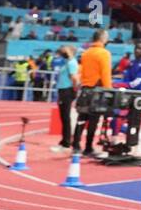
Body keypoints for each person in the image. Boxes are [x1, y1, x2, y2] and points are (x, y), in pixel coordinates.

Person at [74, 29, 112, 157]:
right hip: (97, 90)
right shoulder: (104, 53)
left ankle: (76, 145)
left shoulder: (86, 53)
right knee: (94, 120)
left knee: (82, 118)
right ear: (102, 38)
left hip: (85, 89)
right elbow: (105, 74)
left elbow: (81, 71)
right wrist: (109, 90)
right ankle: (88, 147)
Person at [48, 46, 80, 153]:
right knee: (64, 117)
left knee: (65, 117)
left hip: (66, 91)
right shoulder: (67, 62)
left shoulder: (71, 63)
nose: (63, 52)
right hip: (63, 90)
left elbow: (74, 77)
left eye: (66, 50)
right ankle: (65, 141)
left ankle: (66, 143)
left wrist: (75, 89)